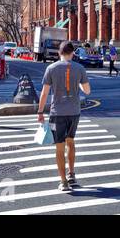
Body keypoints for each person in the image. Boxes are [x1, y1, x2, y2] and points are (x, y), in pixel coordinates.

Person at [37, 42, 92, 192]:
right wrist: (79, 84)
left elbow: (44, 93)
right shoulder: (80, 68)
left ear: (59, 53)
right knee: (71, 142)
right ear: (72, 53)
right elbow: (87, 91)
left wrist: (40, 112)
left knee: (59, 147)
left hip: (58, 113)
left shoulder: (51, 68)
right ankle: (72, 175)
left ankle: (63, 182)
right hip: (74, 112)